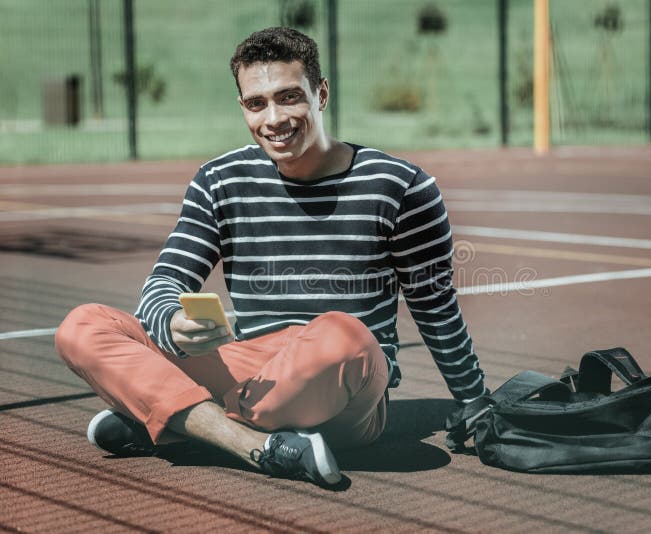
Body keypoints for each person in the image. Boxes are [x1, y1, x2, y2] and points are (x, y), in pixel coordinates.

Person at [55, 26, 486, 488]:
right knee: (83, 326)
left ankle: (179, 422)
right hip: (251, 371)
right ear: (242, 106)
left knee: (347, 336)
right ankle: (250, 443)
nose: (274, 118)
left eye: (288, 97)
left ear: (320, 93)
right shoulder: (219, 181)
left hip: (344, 377)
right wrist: (172, 323)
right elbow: (164, 285)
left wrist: (476, 401)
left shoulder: (400, 186)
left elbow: (435, 308)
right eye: (256, 103)